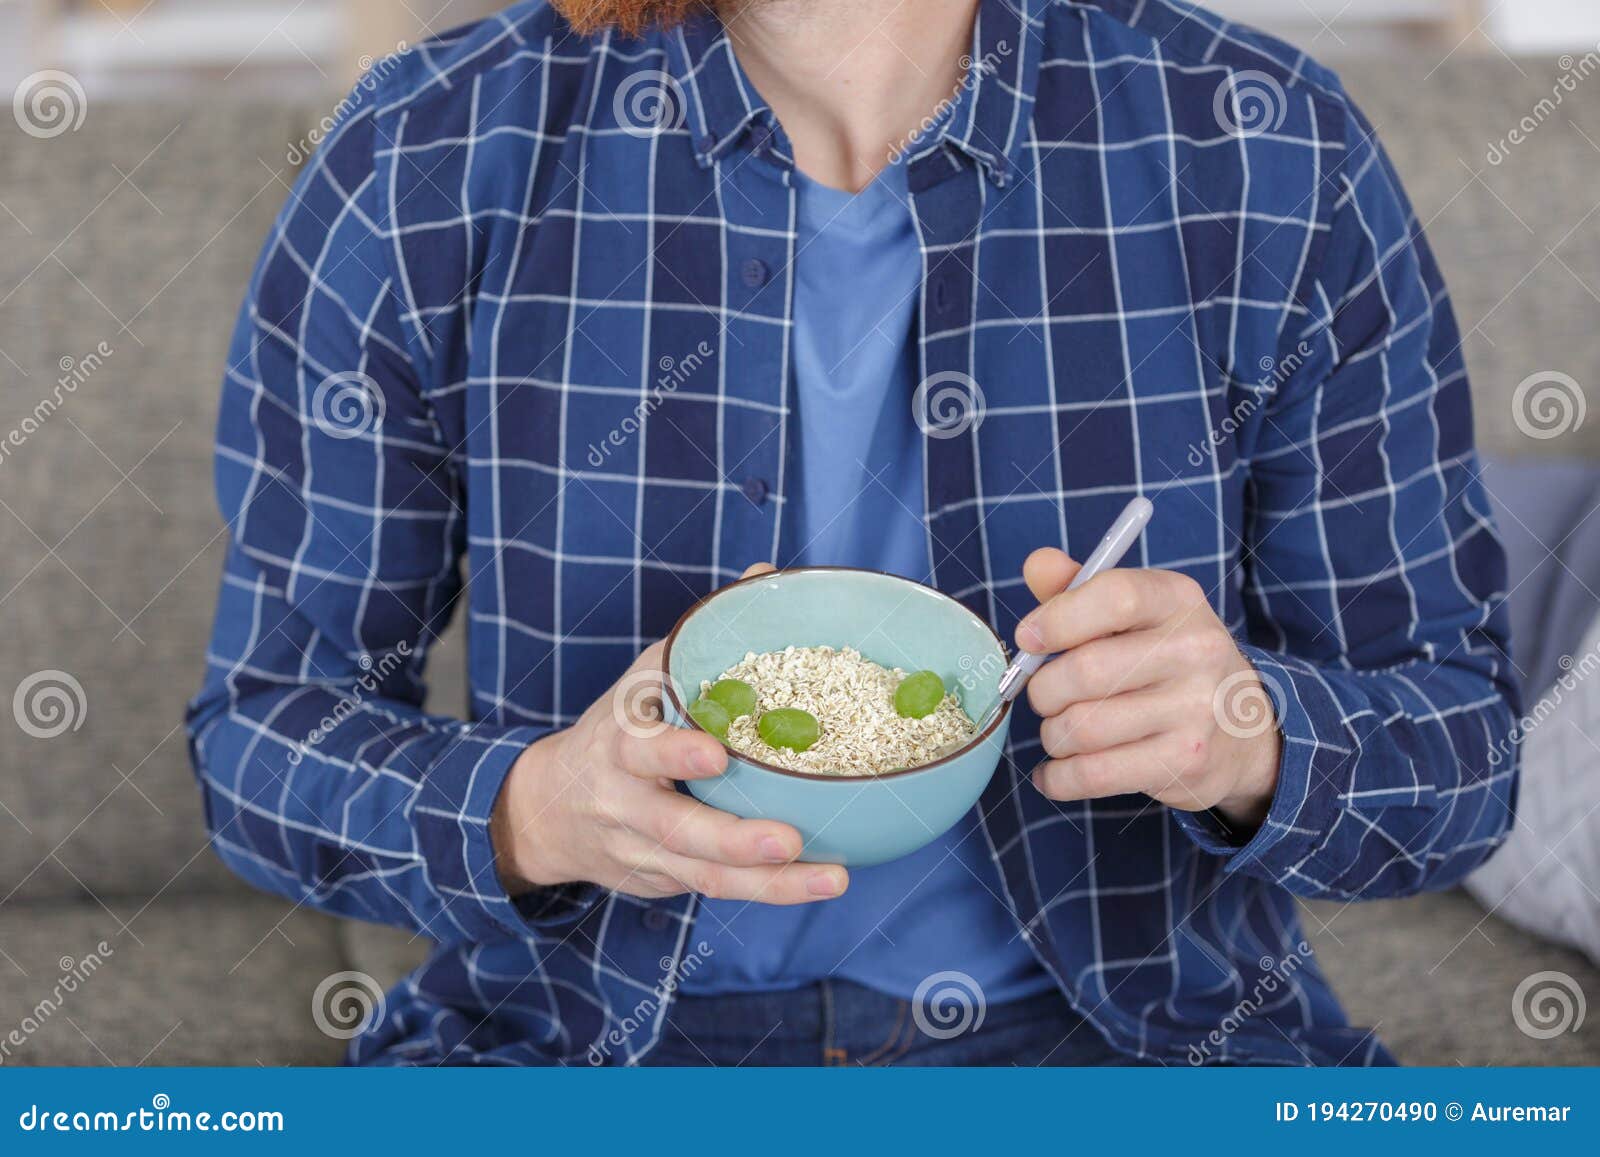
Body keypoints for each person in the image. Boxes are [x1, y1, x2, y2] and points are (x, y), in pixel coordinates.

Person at [186, 0, 1520, 1067]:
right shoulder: (419, 155)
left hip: (1140, 1044)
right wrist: (534, 810)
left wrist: (1251, 735)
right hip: (583, 1047)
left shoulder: (1269, 149)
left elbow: (1464, 755)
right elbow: (259, 736)